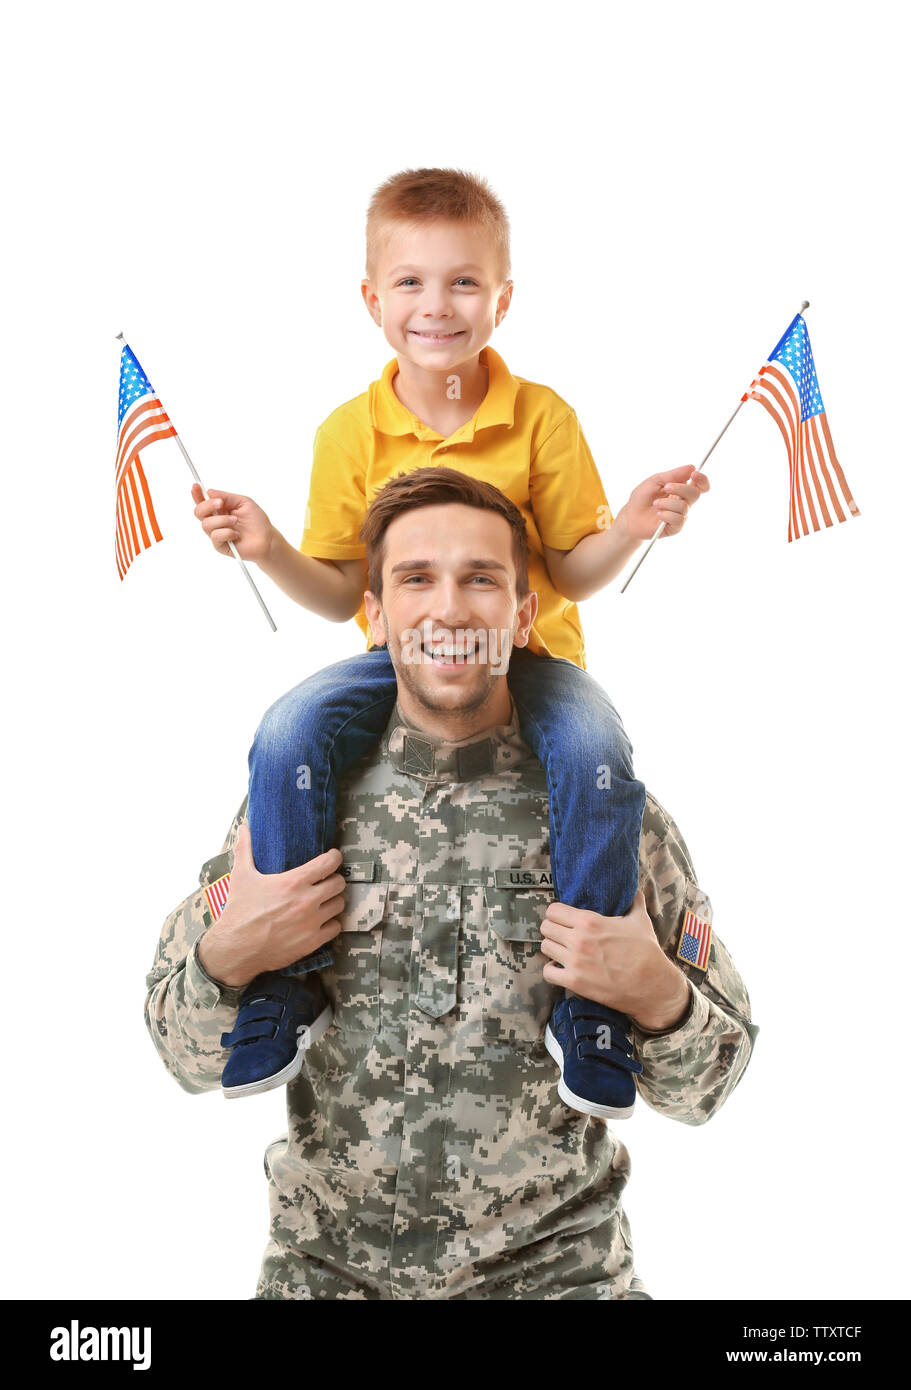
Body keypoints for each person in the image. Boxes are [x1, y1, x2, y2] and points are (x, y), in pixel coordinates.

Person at [146, 473, 755, 1300]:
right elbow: (181, 1059)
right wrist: (228, 954)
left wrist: (655, 995)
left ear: (525, 613)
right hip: (325, 1275)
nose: (450, 610)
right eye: (415, 579)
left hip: (559, 1279)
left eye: (481, 579)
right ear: (376, 613)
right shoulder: (294, 803)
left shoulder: (608, 816)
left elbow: (707, 1088)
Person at [191, 167, 710, 1111]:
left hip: (531, 666)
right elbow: (342, 590)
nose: (437, 305)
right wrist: (266, 549)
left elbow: (571, 567)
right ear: (371, 298)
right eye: (411, 282)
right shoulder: (348, 432)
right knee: (285, 733)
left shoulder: (542, 417)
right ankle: (286, 974)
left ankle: (588, 1002)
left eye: (463, 282)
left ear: (501, 299)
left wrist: (628, 527)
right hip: (393, 673)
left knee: (598, 750)